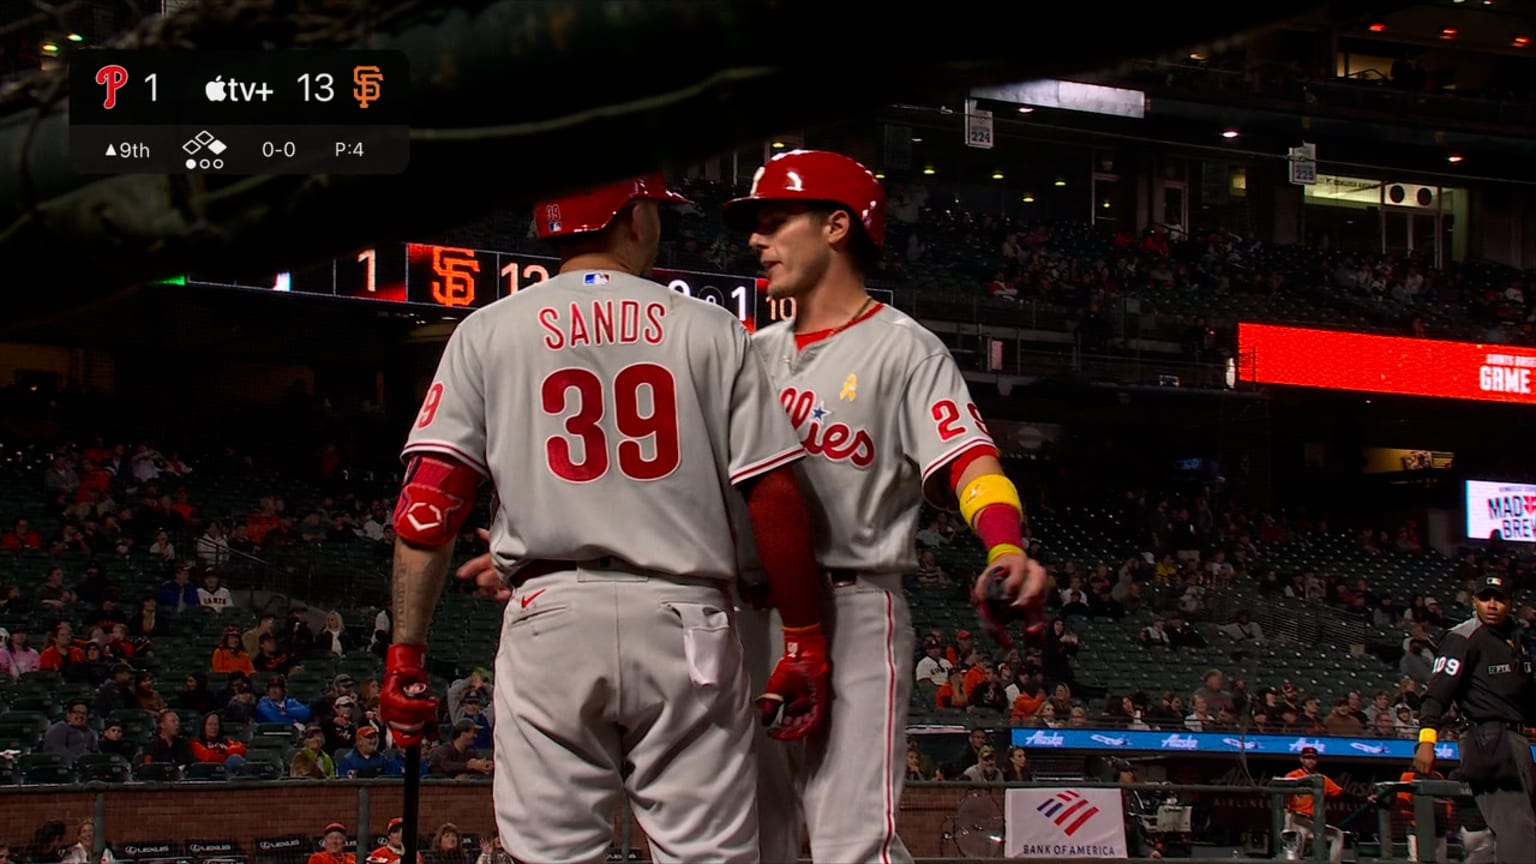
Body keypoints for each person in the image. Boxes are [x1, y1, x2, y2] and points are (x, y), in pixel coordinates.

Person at [382, 172, 828, 864]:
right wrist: (802, 634)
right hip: (689, 623)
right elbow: (773, 494)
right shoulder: (711, 327)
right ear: (632, 216)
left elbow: (429, 506)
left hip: (549, 617)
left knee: (552, 855)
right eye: (654, 210)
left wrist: (405, 651)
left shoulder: (487, 330)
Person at [719, 148, 1047, 863]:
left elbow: (967, 459)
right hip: (746, 614)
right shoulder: (747, 351)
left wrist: (1005, 546)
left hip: (852, 609)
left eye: (775, 222)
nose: (755, 240)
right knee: (746, 842)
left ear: (836, 225)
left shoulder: (903, 348)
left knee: (852, 842)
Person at [1413, 574, 1536, 863]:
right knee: (1519, 829)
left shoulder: (1515, 639)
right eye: (1485, 598)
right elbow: (1436, 693)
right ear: (1474, 601)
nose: (1492, 605)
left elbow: (1524, 696)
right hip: (1488, 739)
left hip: (1513, 738)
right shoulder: (1463, 636)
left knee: (1505, 831)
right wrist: (1427, 740)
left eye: (1499, 599)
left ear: (1511, 603)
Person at [1281, 746, 1345, 863]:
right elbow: (1280, 790)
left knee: (1337, 835)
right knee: (1295, 853)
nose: (1310, 760)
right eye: (1307, 757)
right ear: (1301, 759)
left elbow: (1341, 793)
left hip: (1313, 822)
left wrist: (1366, 798)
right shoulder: (1293, 775)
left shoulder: (1321, 779)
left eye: (1313, 758)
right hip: (1296, 818)